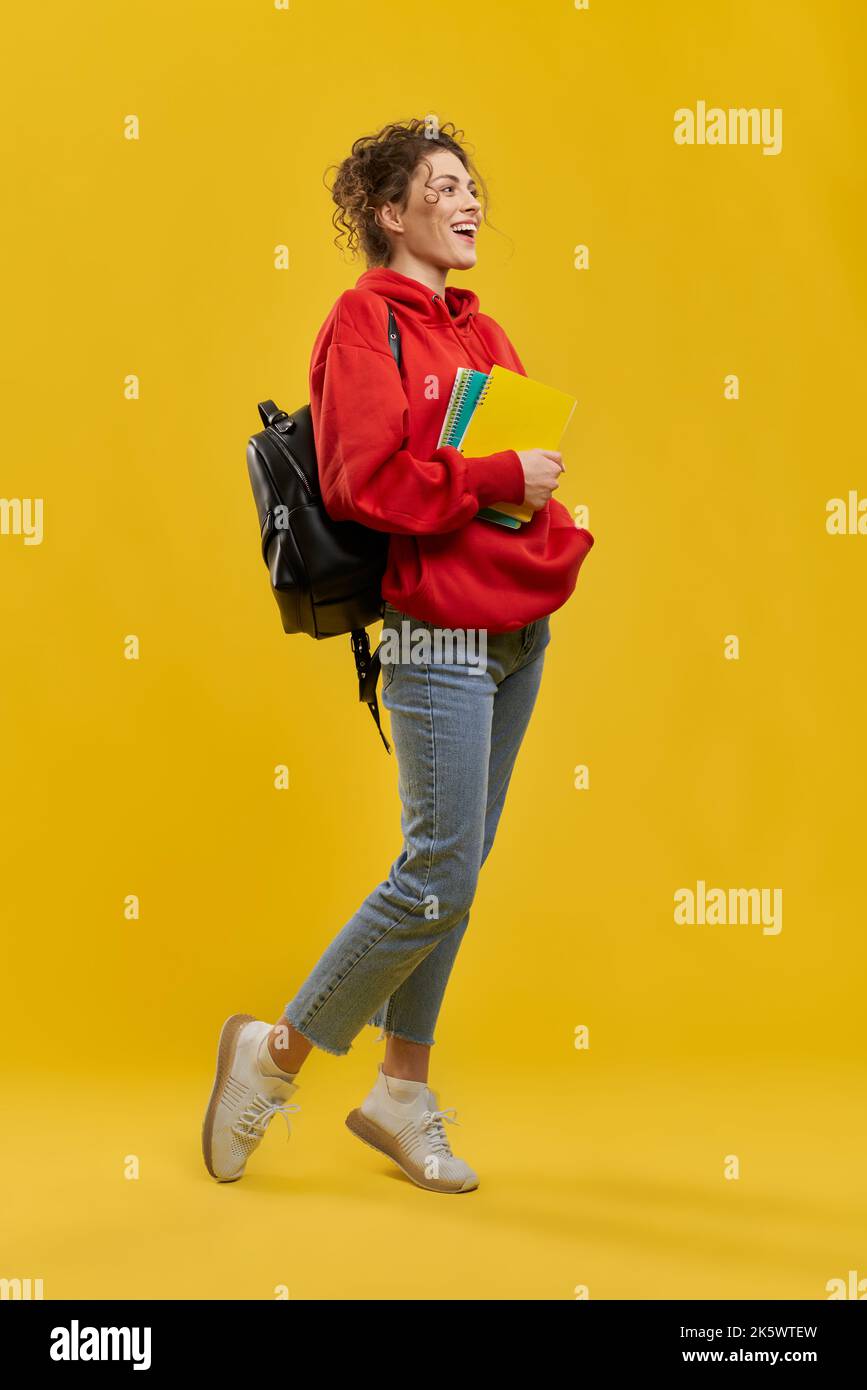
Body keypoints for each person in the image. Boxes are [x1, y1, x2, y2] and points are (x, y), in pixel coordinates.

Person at [202, 118, 593, 1194]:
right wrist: (495, 473)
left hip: (518, 631)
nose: (470, 204)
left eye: (474, 186)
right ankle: (274, 1055)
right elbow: (361, 484)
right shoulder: (361, 323)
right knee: (435, 873)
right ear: (391, 211)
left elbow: (517, 493)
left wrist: (556, 526)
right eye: (444, 187)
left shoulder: (486, 333)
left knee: (455, 883)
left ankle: (401, 1091)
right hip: (435, 636)